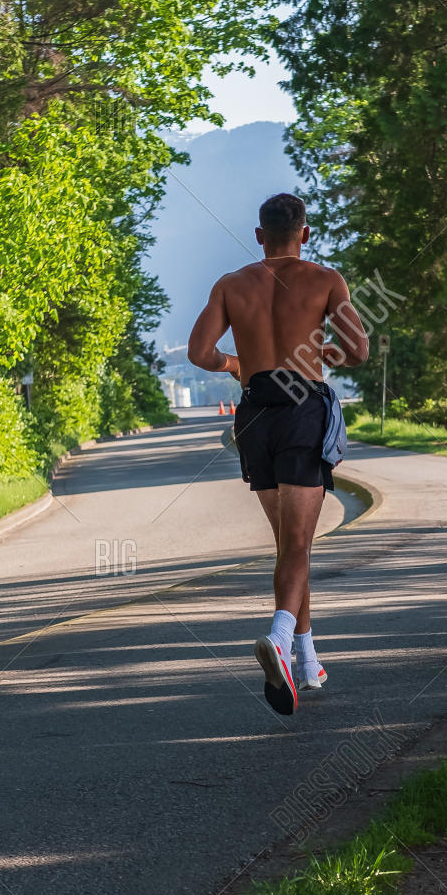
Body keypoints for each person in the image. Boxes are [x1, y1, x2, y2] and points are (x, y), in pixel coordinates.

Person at [187, 193, 369, 715]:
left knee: (291, 545)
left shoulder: (230, 284)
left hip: (254, 414)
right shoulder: (326, 280)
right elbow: (358, 351)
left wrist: (236, 365)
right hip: (301, 410)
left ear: (259, 235)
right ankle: (281, 639)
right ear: (305, 234)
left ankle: (308, 662)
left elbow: (200, 353)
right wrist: (329, 352)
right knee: (297, 545)